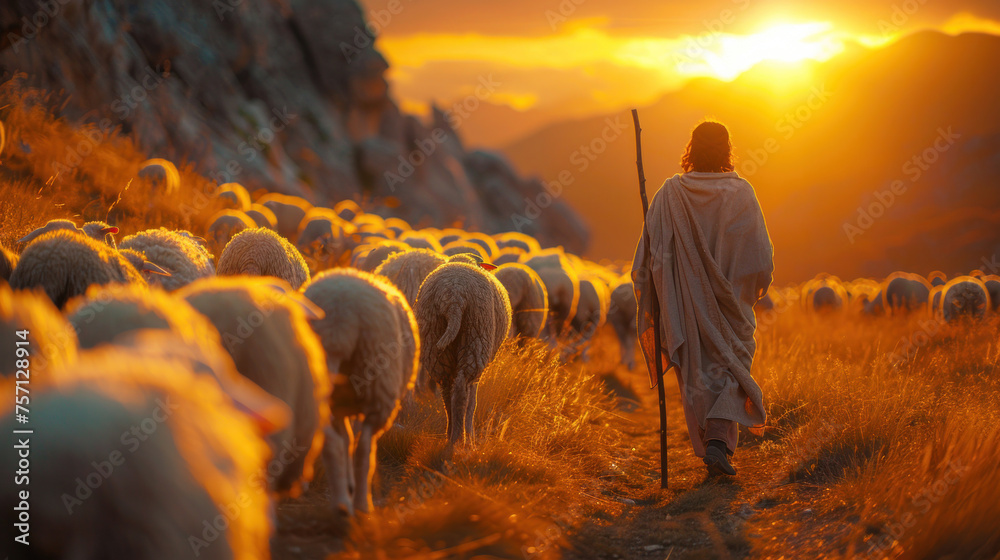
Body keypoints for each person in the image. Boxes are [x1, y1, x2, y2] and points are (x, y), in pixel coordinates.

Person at [631, 120, 773, 477]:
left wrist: (663, 293)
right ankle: (718, 444)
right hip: (732, 308)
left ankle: (714, 444)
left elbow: (646, 260)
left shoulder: (669, 194)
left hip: (684, 309)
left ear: (691, 149)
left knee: (697, 374)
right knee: (733, 367)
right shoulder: (741, 193)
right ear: (727, 150)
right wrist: (749, 289)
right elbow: (760, 257)